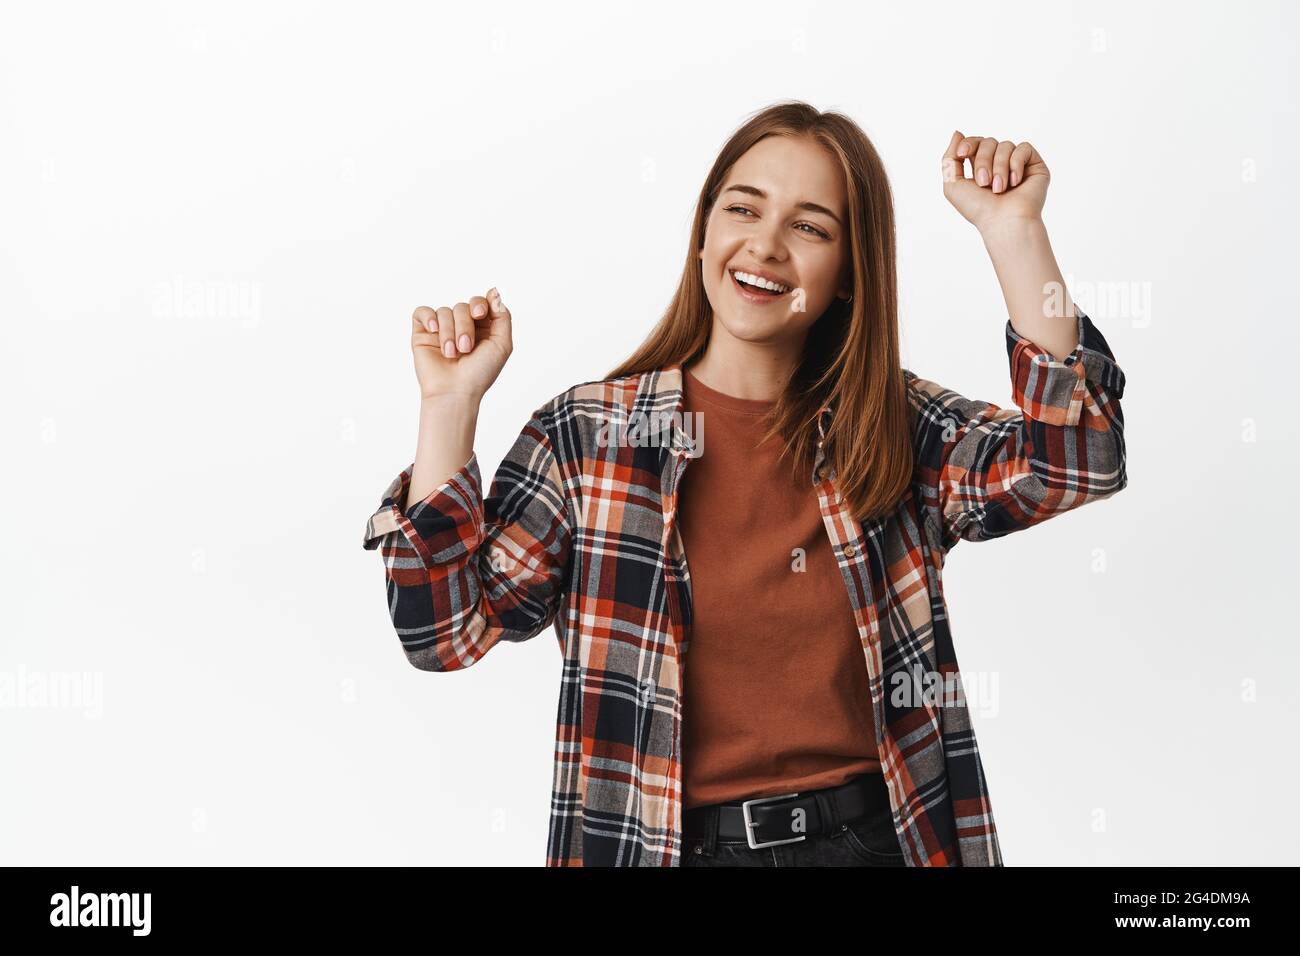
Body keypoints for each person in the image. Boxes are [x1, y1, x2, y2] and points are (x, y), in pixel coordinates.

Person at [362, 101, 1128, 867]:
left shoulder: (895, 425)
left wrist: (1013, 234)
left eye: (811, 227)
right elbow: (443, 635)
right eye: (743, 208)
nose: (765, 245)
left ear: (850, 275)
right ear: (703, 236)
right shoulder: (590, 437)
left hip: (877, 844)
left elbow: (1078, 461)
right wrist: (449, 407)